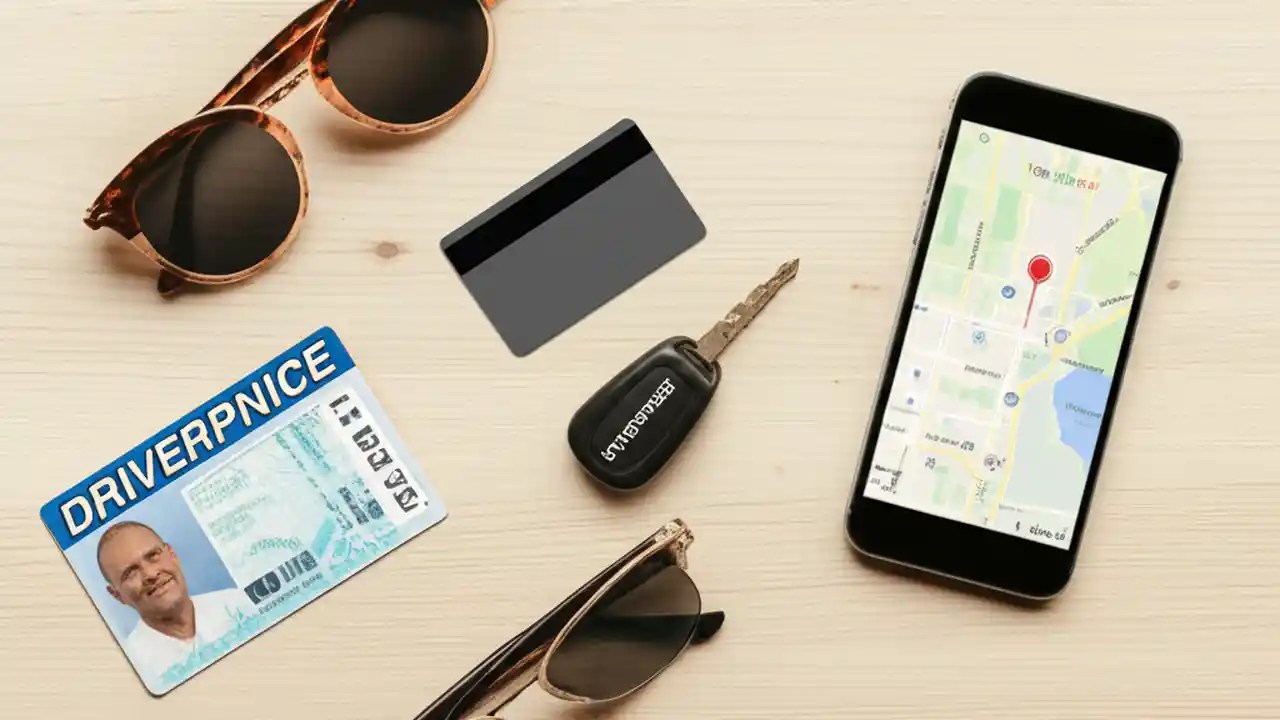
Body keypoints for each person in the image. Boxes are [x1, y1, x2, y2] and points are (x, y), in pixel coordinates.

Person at [97, 520, 244, 681]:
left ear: (172, 554)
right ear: (117, 595)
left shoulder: (239, 603)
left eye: (153, 556)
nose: (150, 574)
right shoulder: (133, 670)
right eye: (131, 573)